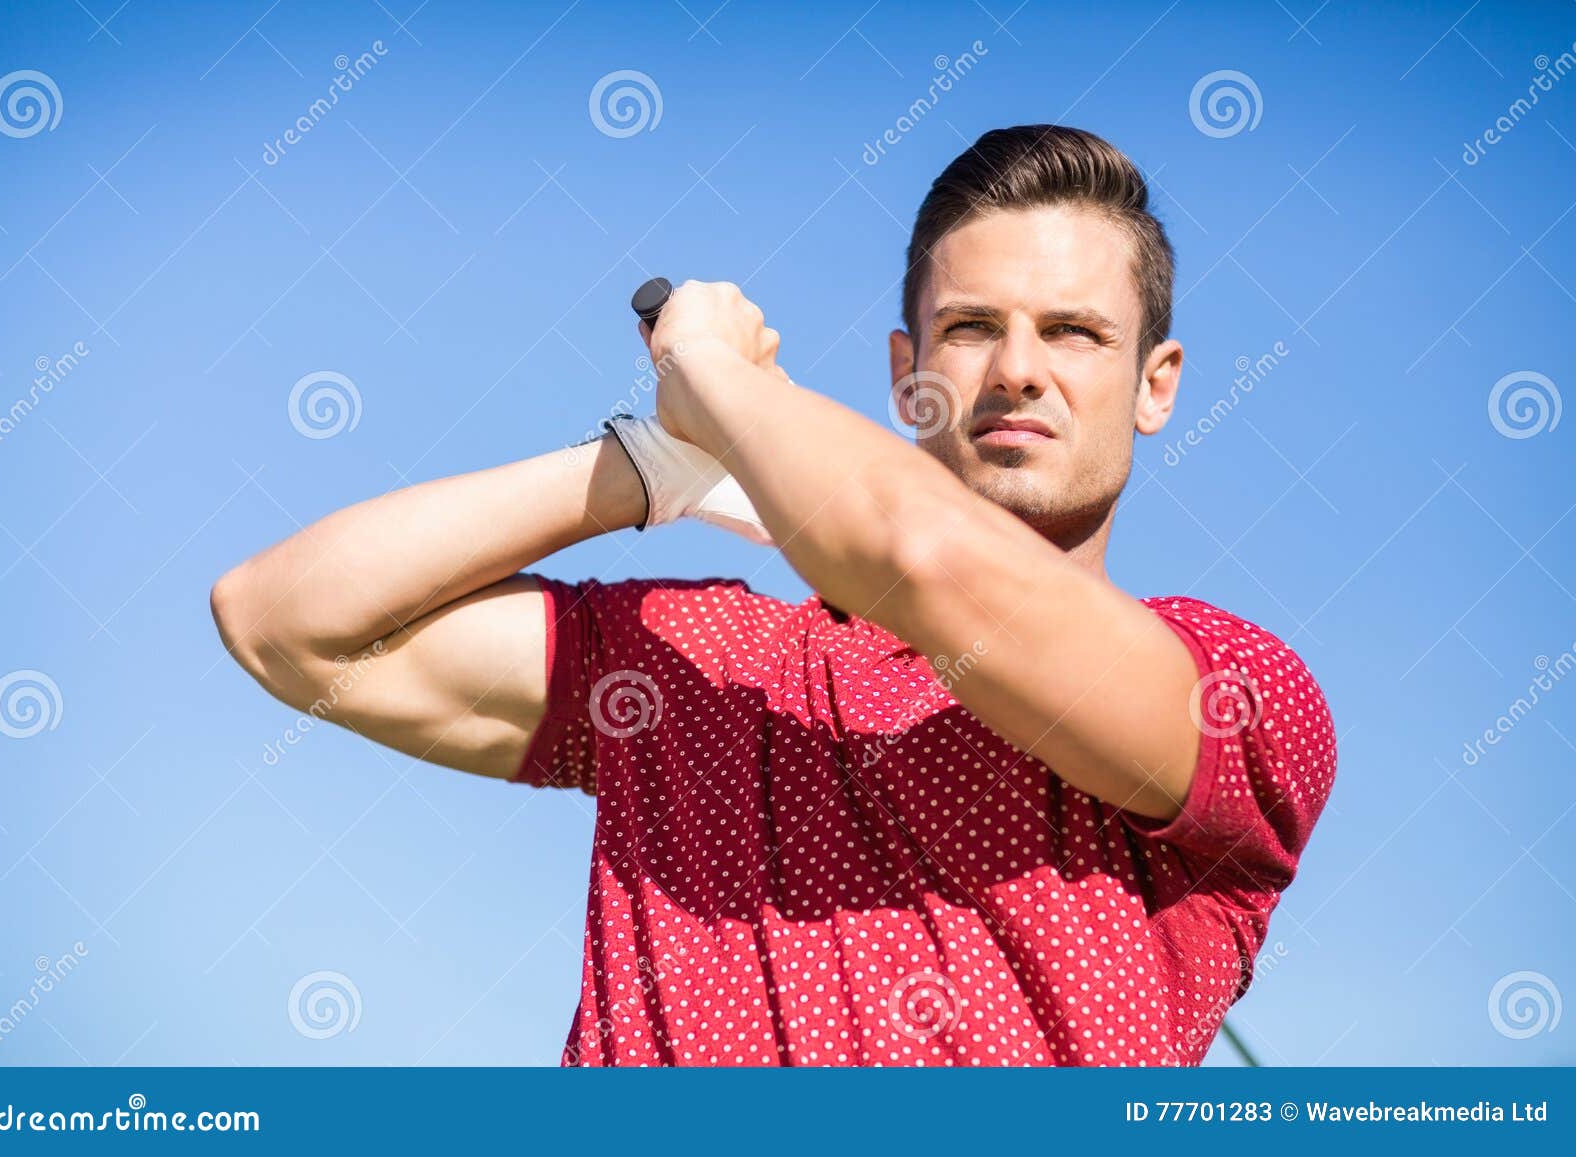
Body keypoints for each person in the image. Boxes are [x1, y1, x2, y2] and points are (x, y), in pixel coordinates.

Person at [210, 124, 1337, 1066]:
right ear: (907, 375)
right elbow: (286, 623)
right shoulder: (697, 656)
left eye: (1074, 332)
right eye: (971, 326)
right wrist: (657, 462)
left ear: (1156, 384)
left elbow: (923, 562)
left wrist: (714, 377)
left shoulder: (1239, 688)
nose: (1017, 369)